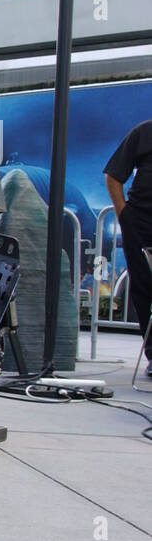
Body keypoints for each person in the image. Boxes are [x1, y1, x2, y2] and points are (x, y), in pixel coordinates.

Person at [104, 119, 152, 376]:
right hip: (142, 225)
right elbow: (113, 175)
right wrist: (124, 214)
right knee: (144, 289)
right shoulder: (143, 133)